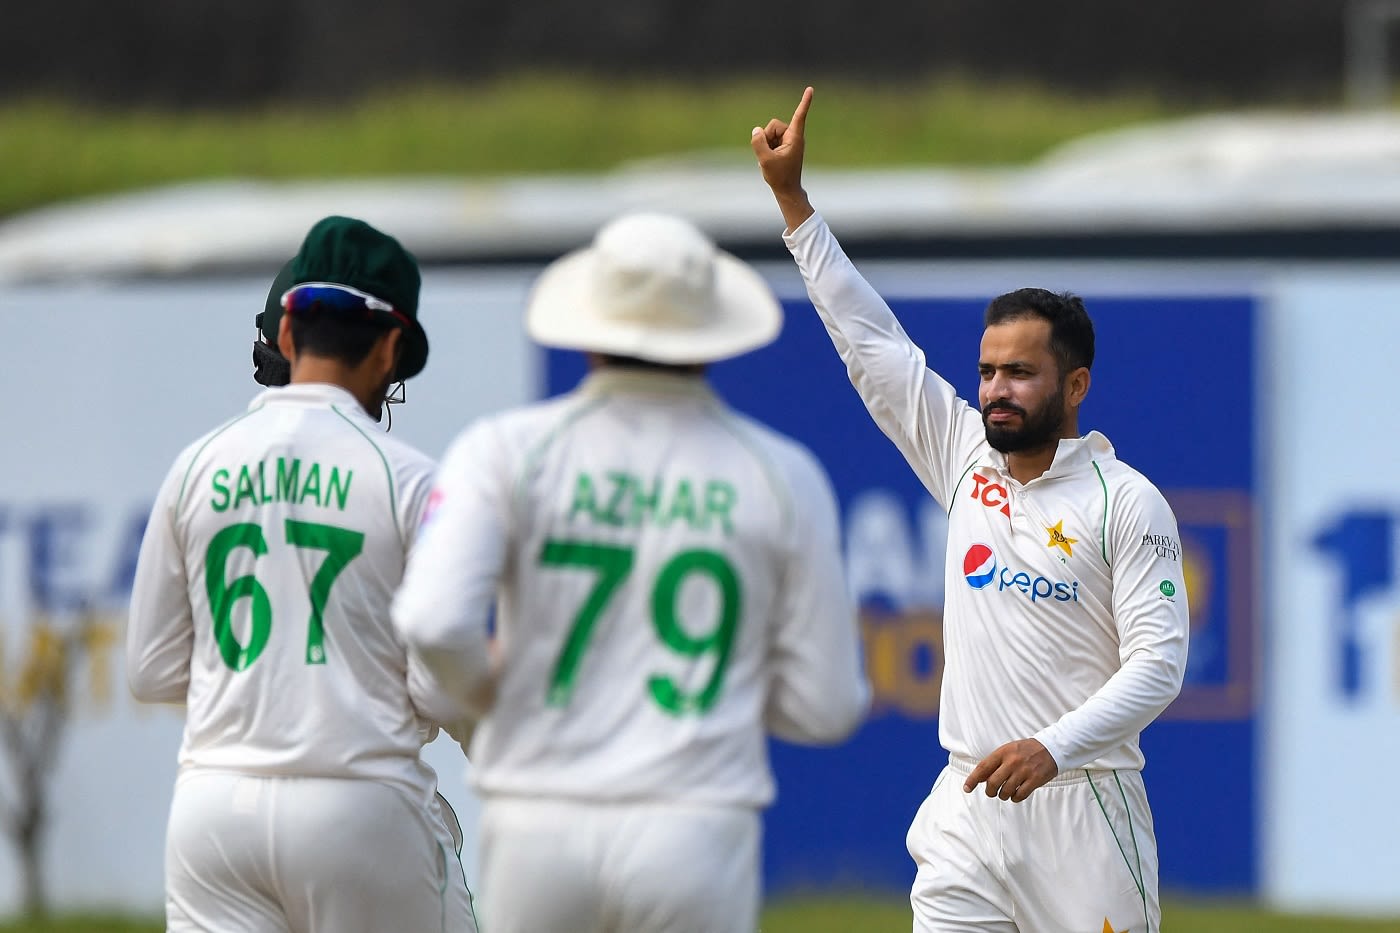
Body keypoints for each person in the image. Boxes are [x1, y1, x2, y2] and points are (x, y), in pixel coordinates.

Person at [751, 88, 1189, 933]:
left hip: (1085, 810)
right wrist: (794, 203)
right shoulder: (964, 460)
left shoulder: (1126, 501)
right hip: (967, 806)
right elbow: (873, 345)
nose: (995, 391)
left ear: (1075, 385)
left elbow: (1159, 665)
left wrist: (1052, 745)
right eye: (987, 371)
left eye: (1020, 373)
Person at [391, 211, 871, 933]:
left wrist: (490, 698)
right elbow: (828, 704)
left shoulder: (506, 449)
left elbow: (433, 621)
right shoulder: (782, 473)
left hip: (538, 816)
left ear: (587, 327)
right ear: (711, 336)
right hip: (696, 827)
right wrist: (728, 695)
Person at [127, 215, 478, 933]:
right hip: (362, 804)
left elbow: (151, 670)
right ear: (390, 349)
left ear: (285, 337)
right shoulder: (410, 480)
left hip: (214, 811)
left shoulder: (196, 466)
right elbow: (443, 679)